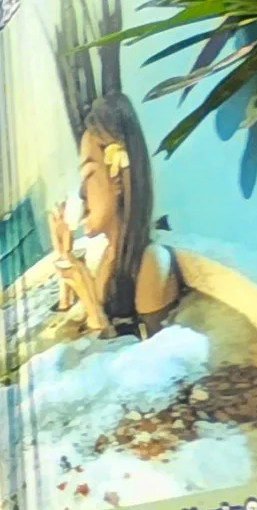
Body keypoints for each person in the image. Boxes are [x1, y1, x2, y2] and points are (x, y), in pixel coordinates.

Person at [47, 94, 182, 340]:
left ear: (118, 180)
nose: (81, 194)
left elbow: (144, 371)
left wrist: (89, 299)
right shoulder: (109, 260)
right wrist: (64, 262)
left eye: (88, 174)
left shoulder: (151, 264)